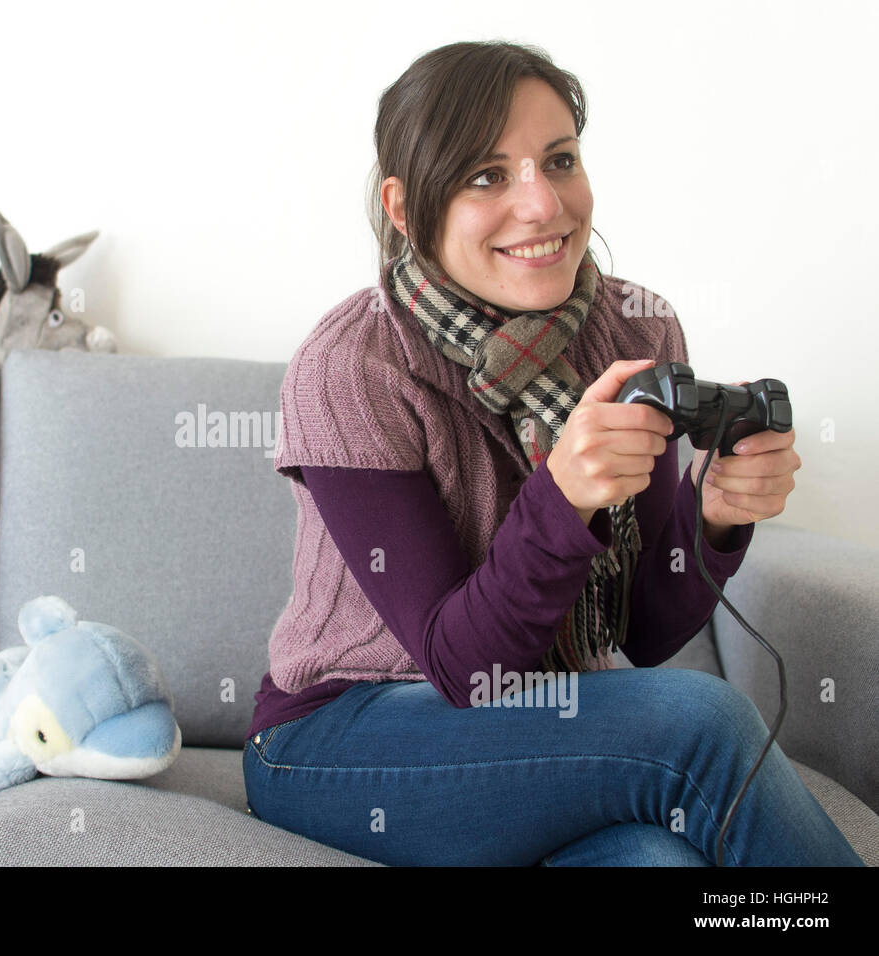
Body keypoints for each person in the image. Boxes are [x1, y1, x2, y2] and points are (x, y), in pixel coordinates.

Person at [241, 40, 861, 867]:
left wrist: (712, 516)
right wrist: (561, 497)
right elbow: (463, 668)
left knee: (657, 860)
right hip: (340, 737)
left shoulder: (636, 330)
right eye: (487, 175)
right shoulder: (353, 367)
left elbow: (639, 633)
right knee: (700, 724)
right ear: (402, 205)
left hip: (546, 728)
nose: (542, 205)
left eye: (558, 160)